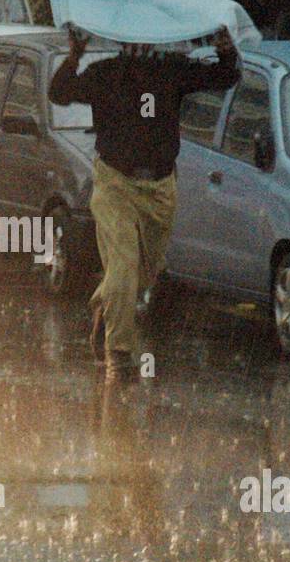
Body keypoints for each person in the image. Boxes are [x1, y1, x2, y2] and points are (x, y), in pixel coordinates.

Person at [48, 26, 241, 382]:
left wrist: (225, 49)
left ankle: (106, 309)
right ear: (123, 41)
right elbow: (58, 93)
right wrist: (74, 56)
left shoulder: (172, 70)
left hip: (160, 186)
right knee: (122, 268)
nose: (139, 44)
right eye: (132, 39)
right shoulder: (105, 72)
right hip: (115, 183)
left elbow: (225, 76)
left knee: (146, 271)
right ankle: (118, 355)